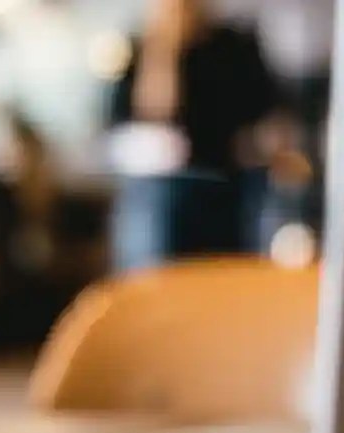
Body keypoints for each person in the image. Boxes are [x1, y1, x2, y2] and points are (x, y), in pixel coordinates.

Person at [109, 0, 280, 267]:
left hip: (227, 180)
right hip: (166, 184)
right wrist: (163, 50)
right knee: (154, 202)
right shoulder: (141, 49)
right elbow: (147, 115)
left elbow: (264, 121)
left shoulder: (233, 46)